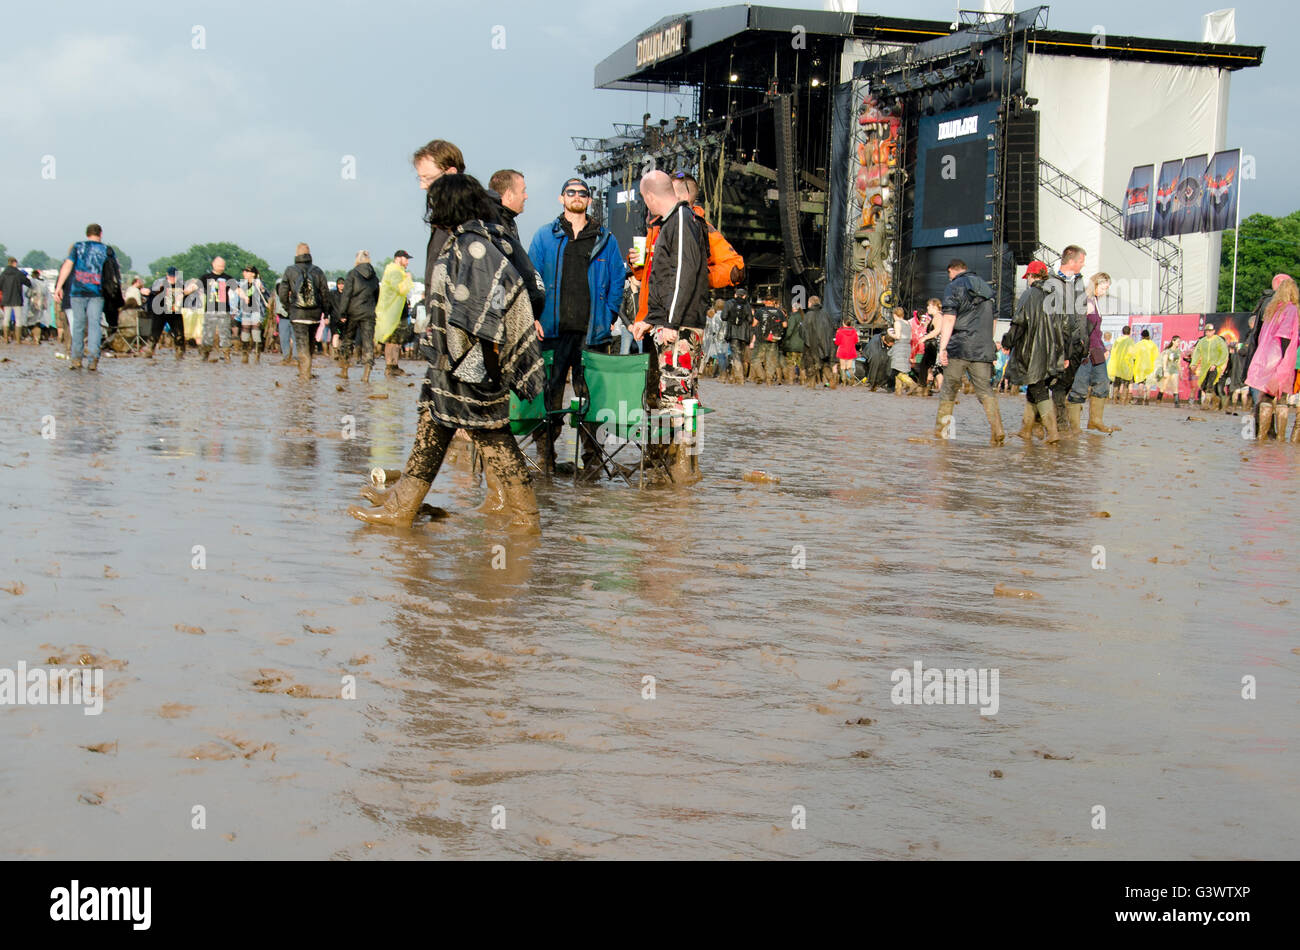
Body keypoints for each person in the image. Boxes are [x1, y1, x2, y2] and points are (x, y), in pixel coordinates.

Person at [349, 174, 543, 530]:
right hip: (450, 362)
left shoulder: (474, 244)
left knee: (494, 436)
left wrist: (478, 361)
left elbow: (484, 308)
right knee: (432, 428)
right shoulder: (471, 239)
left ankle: (526, 519)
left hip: (471, 363)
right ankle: (401, 509)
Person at [527, 176, 624, 471]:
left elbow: (618, 281)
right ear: (562, 198)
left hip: (591, 334)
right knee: (549, 397)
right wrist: (533, 316)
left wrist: (608, 317)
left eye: (583, 193)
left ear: (589, 200)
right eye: (571, 192)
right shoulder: (544, 236)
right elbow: (531, 277)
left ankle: (592, 463)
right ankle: (546, 459)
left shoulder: (605, 239)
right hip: (552, 332)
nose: (577, 196)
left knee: (591, 401)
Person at [630, 170, 710, 480]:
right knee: (684, 397)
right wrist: (650, 321)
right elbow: (669, 280)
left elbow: (682, 276)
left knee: (676, 399)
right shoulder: (684, 221)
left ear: (649, 197)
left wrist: (671, 322)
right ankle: (687, 468)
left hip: (681, 328)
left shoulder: (678, 222)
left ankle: (680, 470)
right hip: (679, 323)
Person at [934, 258, 1003, 444]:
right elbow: (993, 320)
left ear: (951, 270)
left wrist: (942, 348)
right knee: (985, 390)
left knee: (949, 390)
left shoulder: (953, 286)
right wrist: (987, 341)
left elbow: (949, 319)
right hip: (982, 348)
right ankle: (997, 431)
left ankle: (943, 434)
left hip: (959, 346)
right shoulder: (987, 289)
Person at [1004, 260, 1067, 443]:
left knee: (1038, 390)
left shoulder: (1029, 294)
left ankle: (1053, 433)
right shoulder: (1056, 297)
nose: (1028, 280)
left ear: (1032, 276)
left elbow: (1019, 322)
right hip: (1053, 353)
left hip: (1033, 353)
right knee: (1034, 390)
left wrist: (1008, 341)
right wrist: (1065, 354)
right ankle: (1026, 429)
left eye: (1028, 277)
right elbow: (1065, 328)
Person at [54, 223, 121, 372]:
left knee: (78, 325)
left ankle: (76, 359)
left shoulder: (78, 247)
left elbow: (67, 266)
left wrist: (58, 287)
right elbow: (116, 272)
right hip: (97, 292)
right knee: (94, 325)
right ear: (101, 234)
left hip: (77, 291)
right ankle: (93, 360)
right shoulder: (107, 250)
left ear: (87, 234)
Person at [1245, 275, 1299, 440]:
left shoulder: (1272, 309)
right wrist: (1283, 359)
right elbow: (1285, 336)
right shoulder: (1291, 309)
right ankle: (1280, 439)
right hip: (1280, 355)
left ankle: (1262, 438)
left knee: (1266, 396)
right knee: (1281, 396)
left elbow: (1260, 335)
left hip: (1264, 356)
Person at [1065, 262, 1114, 433]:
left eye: (1107, 288)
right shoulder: (1084, 300)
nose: (1105, 291)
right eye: (1103, 287)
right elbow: (1075, 327)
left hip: (1097, 350)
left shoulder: (1095, 302)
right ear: (1095, 284)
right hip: (1084, 351)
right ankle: (1075, 426)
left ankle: (1095, 420)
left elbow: (1096, 331)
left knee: (1102, 384)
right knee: (1079, 387)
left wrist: (1104, 348)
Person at [277, 242, 333, 382]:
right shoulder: (318, 271)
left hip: (298, 313)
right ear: (309, 255)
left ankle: (304, 377)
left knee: (301, 345)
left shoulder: (290, 270)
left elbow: (283, 292)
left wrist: (288, 308)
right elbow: (325, 293)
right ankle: (305, 372)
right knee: (310, 344)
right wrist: (326, 312)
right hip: (314, 314)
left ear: (296, 254)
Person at [337, 250, 379, 380]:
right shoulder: (374, 277)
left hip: (353, 312)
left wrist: (342, 312)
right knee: (368, 342)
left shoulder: (352, 274)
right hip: (369, 312)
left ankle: (344, 370)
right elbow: (377, 295)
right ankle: (366, 373)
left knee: (348, 340)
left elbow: (346, 295)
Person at [376, 251, 415, 376]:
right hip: (392, 312)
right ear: (398, 258)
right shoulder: (393, 271)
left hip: (400, 310)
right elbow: (401, 289)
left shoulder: (399, 272)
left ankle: (395, 365)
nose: (407, 262)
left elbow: (407, 293)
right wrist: (408, 278)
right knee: (391, 339)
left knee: (398, 340)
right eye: (406, 259)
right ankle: (389, 366)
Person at [193, 256, 237, 362]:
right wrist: (185, 291)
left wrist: (244, 296)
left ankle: (226, 355)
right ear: (213, 264)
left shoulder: (228, 278)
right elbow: (194, 287)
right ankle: (205, 354)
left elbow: (238, 289)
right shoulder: (205, 277)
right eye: (219, 265)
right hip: (210, 309)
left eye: (223, 266)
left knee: (225, 333)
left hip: (223, 309)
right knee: (208, 333)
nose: (221, 268)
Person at [147, 266, 188, 359]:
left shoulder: (181, 285)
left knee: (179, 335)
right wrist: (148, 291)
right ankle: (149, 351)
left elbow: (187, 296)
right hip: (160, 312)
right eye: (171, 276)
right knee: (155, 334)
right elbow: (151, 291)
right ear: (167, 275)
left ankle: (180, 354)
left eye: (175, 277)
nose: (173, 279)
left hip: (174, 313)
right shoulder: (160, 283)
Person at [1191, 322, 1230, 411]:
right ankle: (1216, 400)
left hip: (1215, 366)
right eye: (1207, 331)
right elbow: (1197, 352)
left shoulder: (1219, 340)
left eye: (1210, 331)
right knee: (1203, 385)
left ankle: (1206, 403)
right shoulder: (1202, 341)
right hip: (1205, 367)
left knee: (1210, 384)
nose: (1208, 333)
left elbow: (1224, 353)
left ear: (1214, 331)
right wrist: (1194, 363)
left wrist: (1216, 364)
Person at [236, 266, 268, 363]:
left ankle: (257, 355)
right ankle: (245, 354)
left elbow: (266, 294)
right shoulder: (242, 283)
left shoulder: (259, 283)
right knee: (245, 331)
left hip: (257, 311)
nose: (245, 273)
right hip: (246, 310)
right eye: (244, 271)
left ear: (253, 274)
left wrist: (261, 287)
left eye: (247, 272)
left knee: (256, 332)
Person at [722, 287, 754, 383]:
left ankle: (739, 377)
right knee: (741, 355)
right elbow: (750, 320)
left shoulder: (729, 303)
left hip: (733, 333)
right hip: (744, 334)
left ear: (735, 295)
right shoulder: (747, 305)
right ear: (744, 296)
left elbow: (723, 317)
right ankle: (738, 376)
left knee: (735, 354)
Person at [800, 295, 833, 388]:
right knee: (825, 363)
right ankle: (831, 379)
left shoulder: (808, 315)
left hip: (811, 344)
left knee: (810, 364)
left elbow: (803, 330)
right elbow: (830, 328)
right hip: (824, 344)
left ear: (810, 303)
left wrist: (806, 341)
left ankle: (812, 383)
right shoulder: (825, 314)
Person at [0, 257, 31, 344]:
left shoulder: (3, 274)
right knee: (18, 319)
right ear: (14, 263)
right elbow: (28, 283)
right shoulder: (18, 273)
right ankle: (18, 340)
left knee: (6, 319)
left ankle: (6, 339)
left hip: (6, 299)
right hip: (17, 299)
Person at [890, 307, 918, 394]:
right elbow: (910, 337)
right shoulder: (908, 323)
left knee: (896, 369)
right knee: (901, 369)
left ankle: (911, 383)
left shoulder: (897, 323)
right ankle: (898, 391)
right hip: (907, 347)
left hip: (899, 347)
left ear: (895, 315)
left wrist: (890, 333)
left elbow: (897, 336)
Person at [1107, 323, 1136, 404]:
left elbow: (1113, 351)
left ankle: (1115, 399)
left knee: (1116, 383)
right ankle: (1123, 400)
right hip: (1126, 364)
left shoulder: (1117, 340)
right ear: (1129, 332)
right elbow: (1132, 354)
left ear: (1122, 332)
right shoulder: (1130, 341)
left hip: (1116, 364)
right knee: (1126, 382)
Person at [1130, 329, 1159, 404]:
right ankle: (1147, 400)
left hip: (1140, 367)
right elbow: (1157, 357)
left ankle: (1140, 399)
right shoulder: (1153, 345)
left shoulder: (1138, 344)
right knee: (1148, 384)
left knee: (1141, 383)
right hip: (1150, 367)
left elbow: (1133, 356)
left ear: (1142, 336)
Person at [781, 299, 805, 384]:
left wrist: (785, 339)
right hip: (802, 345)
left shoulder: (793, 317)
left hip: (792, 345)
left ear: (794, 308)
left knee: (791, 364)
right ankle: (802, 381)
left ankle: (790, 381)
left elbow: (789, 331)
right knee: (801, 364)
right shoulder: (804, 317)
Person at [24, 269, 48, 345]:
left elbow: (28, 294)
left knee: (31, 321)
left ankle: (35, 338)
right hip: (41, 304)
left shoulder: (32, 282)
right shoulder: (44, 283)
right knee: (38, 321)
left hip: (33, 303)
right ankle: (37, 338)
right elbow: (46, 294)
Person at [1157, 335, 1183, 405]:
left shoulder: (1178, 351)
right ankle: (1159, 400)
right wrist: (1164, 371)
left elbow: (1178, 363)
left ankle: (1177, 403)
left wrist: (1181, 373)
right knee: (1163, 387)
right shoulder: (1168, 351)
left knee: (1175, 386)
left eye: (1179, 342)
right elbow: (1164, 362)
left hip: (1175, 371)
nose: (1179, 343)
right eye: (1178, 341)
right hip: (1168, 370)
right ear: (1173, 341)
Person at [834, 318, 859, 385]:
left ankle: (844, 382)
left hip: (842, 351)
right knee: (849, 367)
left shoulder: (840, 331)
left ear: (844, 323)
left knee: (842, 367)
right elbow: (856, 341)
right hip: (851, 350)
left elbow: (837, 342)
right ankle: (852, 379)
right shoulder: (854, 331)